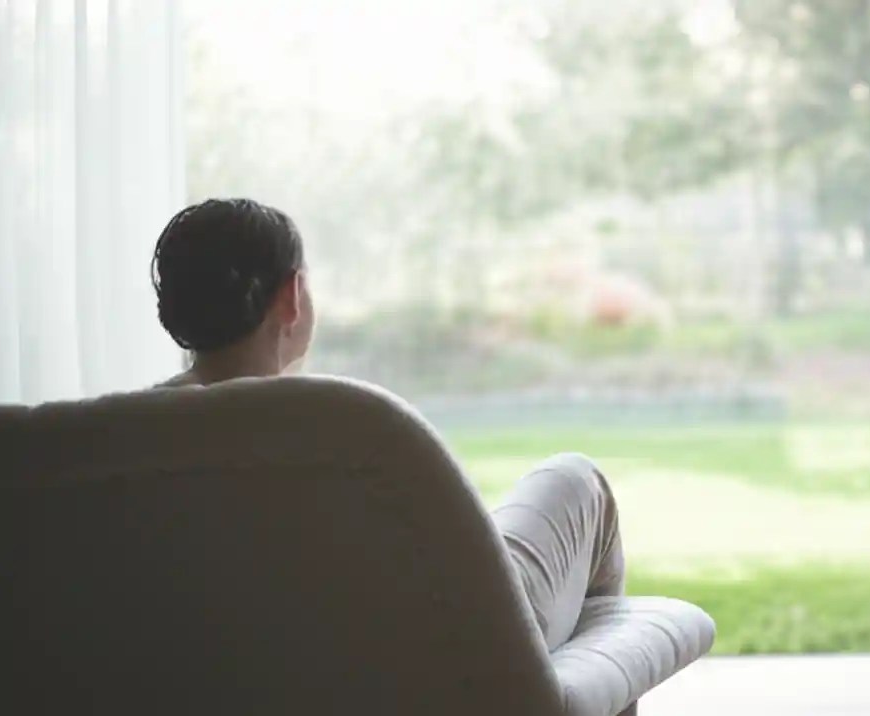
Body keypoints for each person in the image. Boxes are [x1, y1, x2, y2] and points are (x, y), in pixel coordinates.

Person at [150, 198, 629, 685]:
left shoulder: (126, 443)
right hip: (460, 648)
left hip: (256, 672)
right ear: (291, 297)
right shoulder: (346, 427)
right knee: (578, 482)